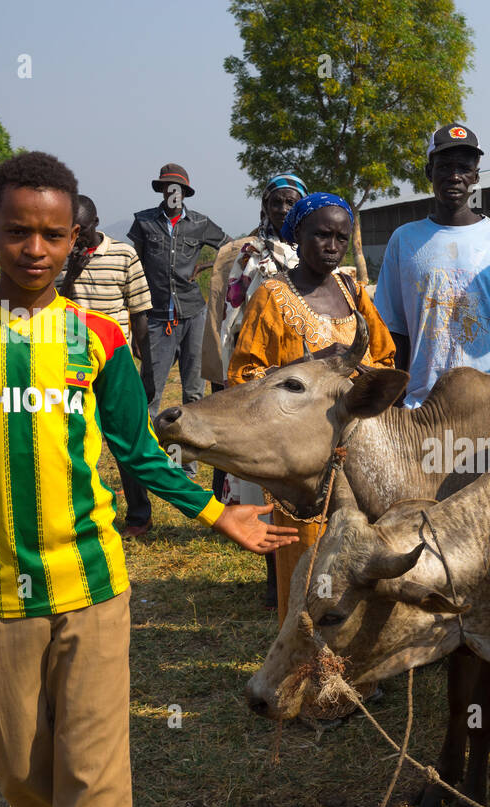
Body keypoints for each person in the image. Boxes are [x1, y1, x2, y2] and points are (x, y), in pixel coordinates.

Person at [0, 152, 296, 807]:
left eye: (52, 235)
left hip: (93, 581)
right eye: (18, 231)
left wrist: (218, 512)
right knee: (17, 757)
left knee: (91, 758)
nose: (34, 249)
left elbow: (140, 452)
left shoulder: (98, 340)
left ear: (74, 243)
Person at [228, 192, 396, 623]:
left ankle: (351, 660)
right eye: (322, 234)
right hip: (297, 456)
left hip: (356, 449)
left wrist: (355, 377)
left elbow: (385, 357)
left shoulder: (353, 291)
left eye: (342, 237)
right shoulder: (271, 296)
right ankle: (302, 657)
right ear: (297, 233)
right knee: (304, 550)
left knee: (352, 544)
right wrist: (308, 368)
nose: (332, 245)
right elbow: (245, 377)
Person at [202, 172, 306, 608]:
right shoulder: (237, 255)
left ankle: (303, 566)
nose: (283, 210)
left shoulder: (315, 250)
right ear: (264, 206)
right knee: (260, 478)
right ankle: (272, 575)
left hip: (300, 378)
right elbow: (219, 319)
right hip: (252, 374)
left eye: (291, 203)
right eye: (276, 202)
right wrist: (220, 385)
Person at [374, 124, 490, 407]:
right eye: (445, 166)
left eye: (464, 167)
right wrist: (395, 403)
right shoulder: (404, 240)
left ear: (476, 176)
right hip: (421, 405)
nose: (454, 176)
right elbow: (393, 330)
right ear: (429, 172)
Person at [54, 195, 156, 536]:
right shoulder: (61, 257)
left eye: (83, 232)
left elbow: (140, 313)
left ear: (96, 223)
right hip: (71, 363)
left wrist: (149, 368)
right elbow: (56, 304)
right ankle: (87, 515)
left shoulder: (124, 254)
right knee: (78, 442)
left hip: (116, 361)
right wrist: (73, 271)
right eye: (72, 232)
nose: (78, 239)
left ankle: (139, 515)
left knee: (125, 441)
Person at [125, 163, 227, 465]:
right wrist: (135, 323)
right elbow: (135, 268)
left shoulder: (199, 223)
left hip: (193, 314)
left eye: (177, 188)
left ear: (184, 193)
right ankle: (151, 463)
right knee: (151, 392)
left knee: (194, 393)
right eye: (167, 187)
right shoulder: (144, 223)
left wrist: (206, 266)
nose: (172, 192)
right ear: (161, 190)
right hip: (156, 317)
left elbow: (231, 247)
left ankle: (186, 462)